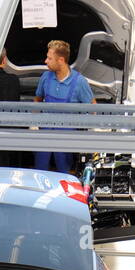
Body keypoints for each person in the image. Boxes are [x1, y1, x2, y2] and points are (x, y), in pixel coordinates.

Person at [34, 39, 93, 174]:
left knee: (64, 171)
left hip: (66, 135)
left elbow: (93, 110)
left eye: (49, 58)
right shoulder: (45, 77)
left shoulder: (79, 82)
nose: (45, 61)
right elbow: (37, 100)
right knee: (39, 169)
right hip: (45, 132)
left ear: (60, 60)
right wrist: (33, 122)